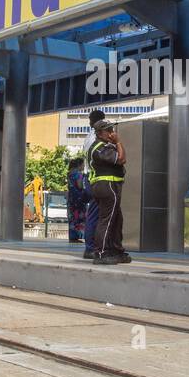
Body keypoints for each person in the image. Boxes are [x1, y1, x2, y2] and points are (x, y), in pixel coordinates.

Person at [89, 119, 129, 264]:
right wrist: (118, 142)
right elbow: (121, 159)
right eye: (109, 130)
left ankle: (116, 250)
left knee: (117, 220)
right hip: (107, 185)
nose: (112, 133)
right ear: (99, 133)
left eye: (112, 129)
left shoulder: (105, 146)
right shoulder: (100, 148)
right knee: (106, 220)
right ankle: (101, 253)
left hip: (110, 185)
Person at [81, 109, 107, 259]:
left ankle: (93, 246)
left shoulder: (88, 137)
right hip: (95, 179)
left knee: (96, 214)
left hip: (89, 178)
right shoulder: (96, 139)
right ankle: (90, 247)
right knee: (95, 214)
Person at [66, 157, 90, 243]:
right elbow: (79, 186)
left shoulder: (70, 173)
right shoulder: (78, 174)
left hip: (71, 199)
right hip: (79, 199)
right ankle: (77, 237)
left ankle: (72, 237)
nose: (83, 166)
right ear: (79, 165)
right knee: (79, 218)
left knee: (72, 218)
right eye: (83, 164)